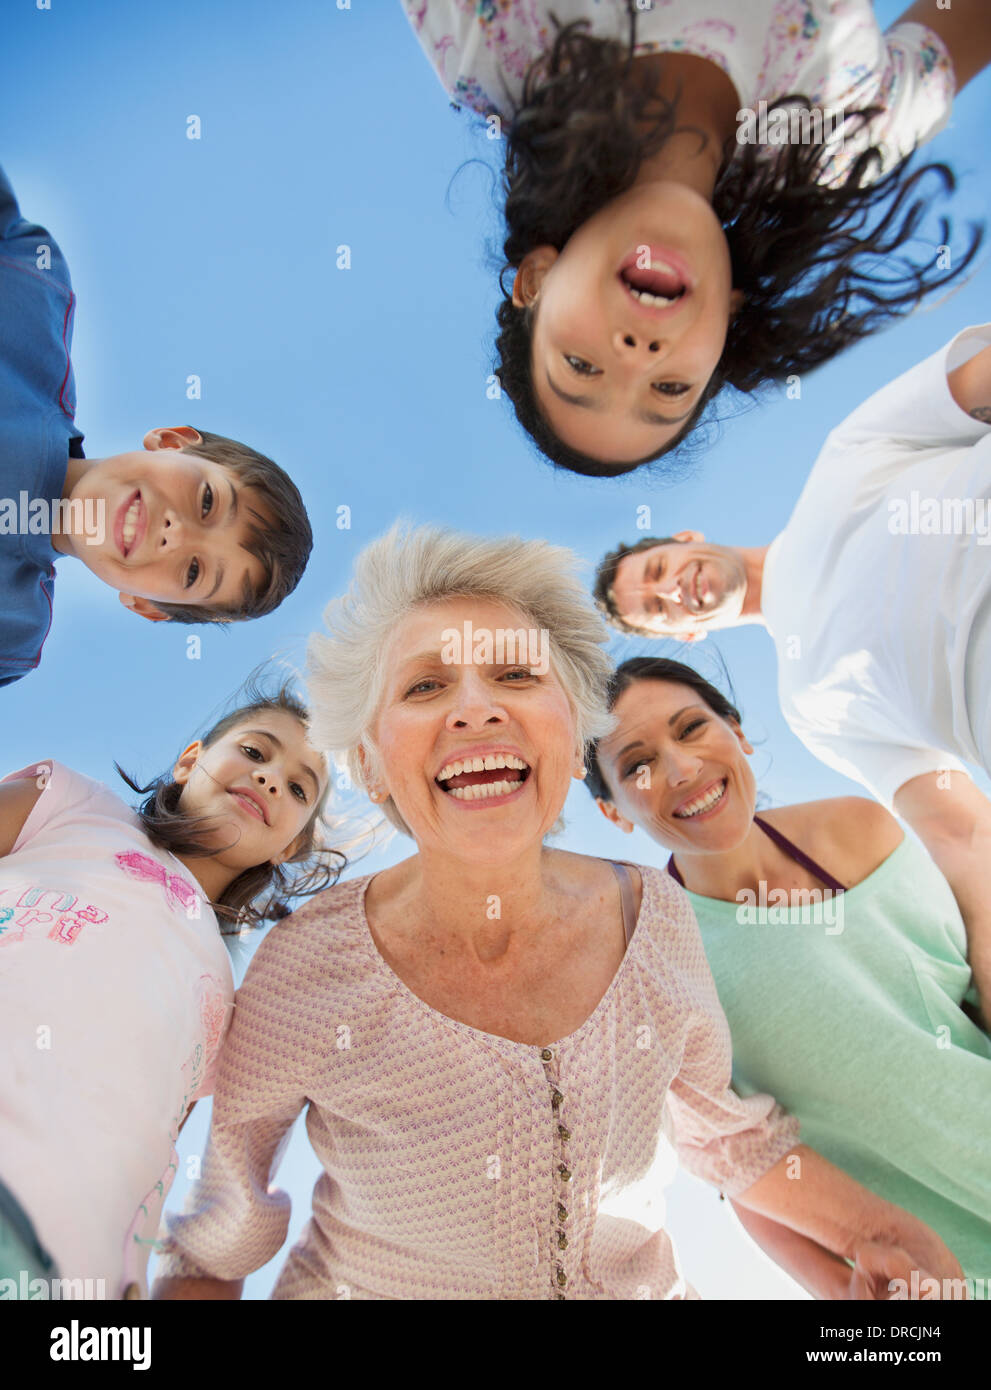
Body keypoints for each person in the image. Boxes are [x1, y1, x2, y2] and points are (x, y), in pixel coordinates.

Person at [153, 524, 961, 1301]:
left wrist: (877, 1234)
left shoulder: (658, 918)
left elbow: (724, 1135)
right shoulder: (303, 965)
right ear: (370, 762)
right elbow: (216, 1242)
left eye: (514, 676)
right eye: (426, 686)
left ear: (573, 738)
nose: (475, 710)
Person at [402, 0, 989, 476]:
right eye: (669, 388)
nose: (637, 356)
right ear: (728, 324)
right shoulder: (844, 140)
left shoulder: (490, 46)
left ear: (536, 280)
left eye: (580, 365)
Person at [594, 320, 991, 1023]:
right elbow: (960, 834)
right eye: (654, 610)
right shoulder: (812, 708)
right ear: (682, 632)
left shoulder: (844, 461)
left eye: (656, 570)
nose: (669, 588)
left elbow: (972, 381)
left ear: (686, 538)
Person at [587, 656, 991, 1299]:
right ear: (614, 813)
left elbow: (968, 984)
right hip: (938, 1274)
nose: (681, 769)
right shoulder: (656, 962)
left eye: (692, 728)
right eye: (637, 764)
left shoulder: (857, 830)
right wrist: (835, 1287)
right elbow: (738, 1156)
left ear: (738, 732)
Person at [0, 681, 340, 1299]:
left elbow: (159, 1134)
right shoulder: (76, 808)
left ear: (292, 843)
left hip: (67, 1257)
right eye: (256, 752)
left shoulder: (230, 997)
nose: (270, 779)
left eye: (297, 789)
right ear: (190, 761)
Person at [0, 164, 313, 689]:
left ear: (147, 606)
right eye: (209, 502)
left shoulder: (12, 639)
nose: (176, 533)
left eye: (193, 572)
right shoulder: (34, 294)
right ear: (172, 442)